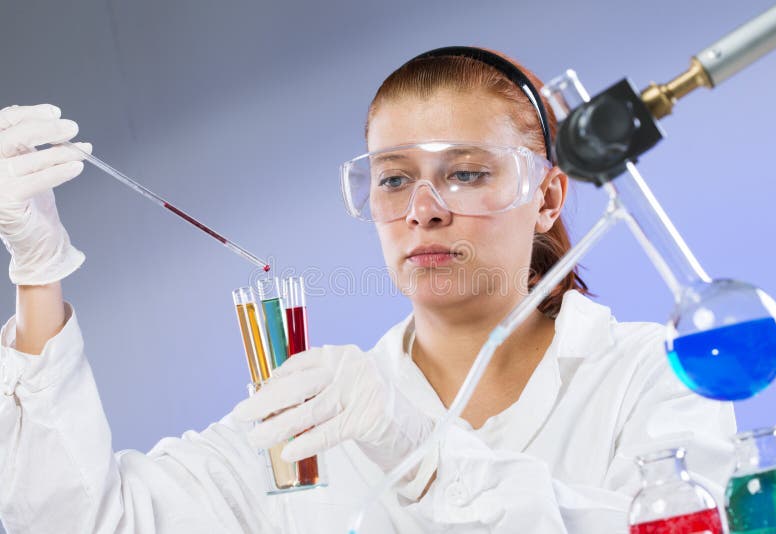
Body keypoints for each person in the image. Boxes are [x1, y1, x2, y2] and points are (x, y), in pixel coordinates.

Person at [0, 47, 735, 533]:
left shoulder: (653, 376)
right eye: (392, 179)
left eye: (467, 172)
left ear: (547, 197)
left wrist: (417, 447)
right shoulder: (313, 422)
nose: (424, 209)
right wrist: (38, 272)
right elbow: (84, 523)